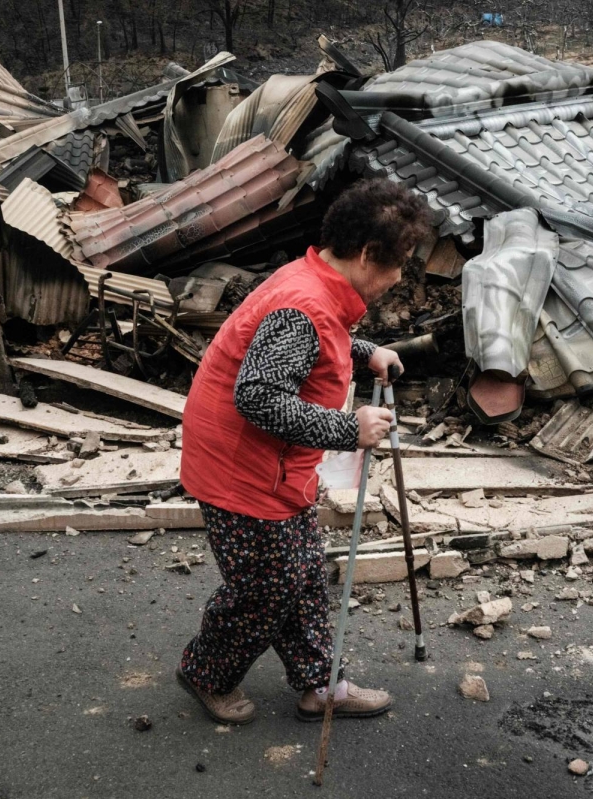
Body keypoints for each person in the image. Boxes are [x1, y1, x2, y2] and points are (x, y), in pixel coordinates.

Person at [176, 179, 434, 725]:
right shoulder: (303, 305)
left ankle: (323, 684)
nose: (399, 276)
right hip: (240, 472)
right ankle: (206, 672)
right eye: (399, 263)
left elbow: (319, 345)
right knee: (264, 592)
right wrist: (349, 427)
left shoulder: (316, 285)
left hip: (272, 466)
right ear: (367, 254)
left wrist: (365, 352)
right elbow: (259, 397)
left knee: (302, 575)